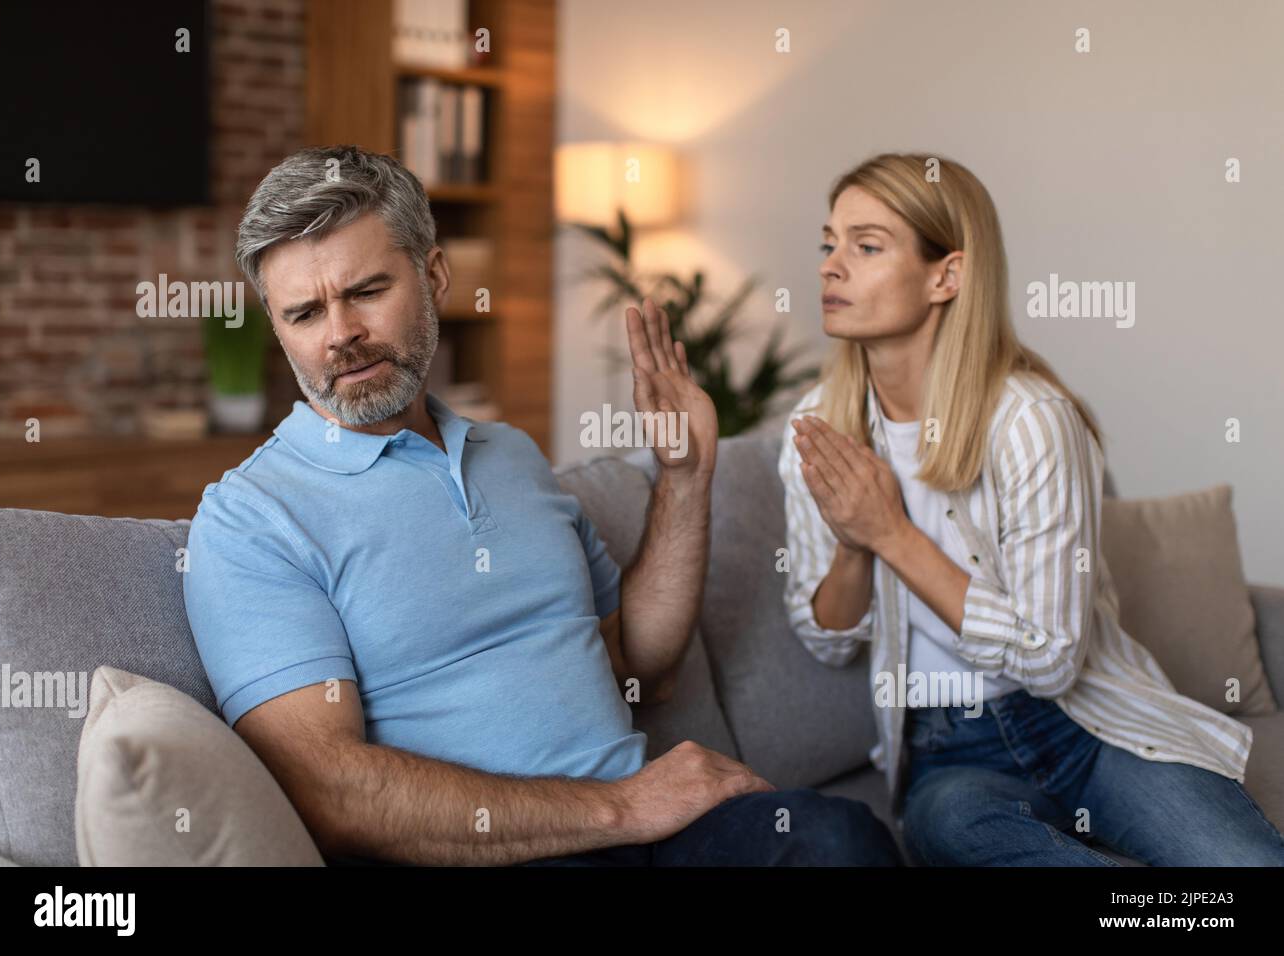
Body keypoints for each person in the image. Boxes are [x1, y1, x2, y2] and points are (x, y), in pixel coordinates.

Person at [182, 144, 902, 867]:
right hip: (500, 853)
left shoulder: (512, 456)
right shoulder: (253, 518)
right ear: (278, 331)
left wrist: (685, 476)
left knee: (840, 840)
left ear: (433, 276)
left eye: (366, 291)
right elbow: (331, 794)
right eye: (305, 313)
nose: (340, 335)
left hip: (649, 831)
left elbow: (643, 669)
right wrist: (623, 807)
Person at [779, 151, 1284, 866]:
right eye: (828, 243)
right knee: (954, 830)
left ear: (946, 276)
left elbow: (1049, 662)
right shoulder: (817, 424)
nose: (831, 265)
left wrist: (891, 534)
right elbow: (826, 638)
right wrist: (854, 543)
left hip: (1089, 726)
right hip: (950, 755)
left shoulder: (1031, 421)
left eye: (865, 246)